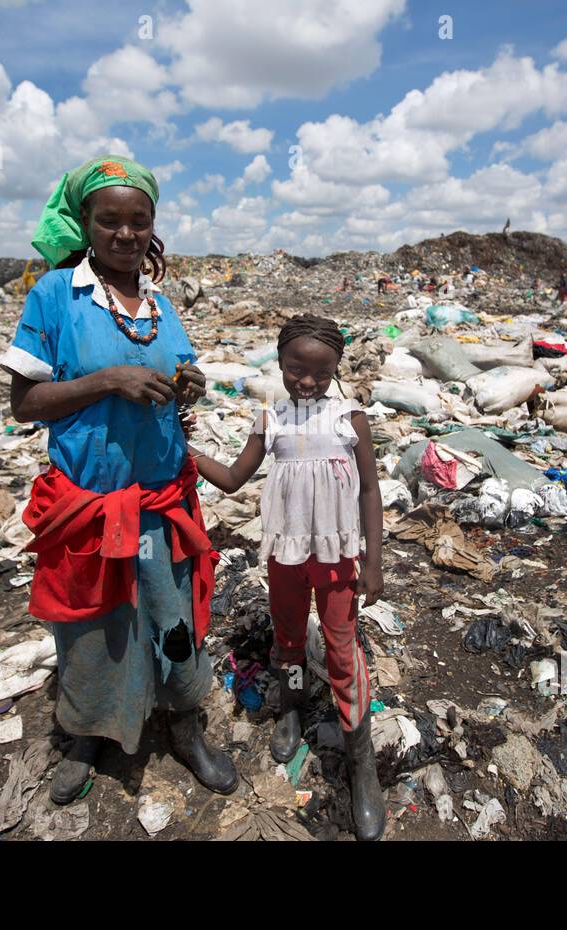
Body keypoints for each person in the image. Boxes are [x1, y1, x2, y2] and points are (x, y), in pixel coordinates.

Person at [0, 155, 236, 804]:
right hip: (92, 504)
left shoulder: (159, 302)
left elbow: (177, 387)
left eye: (139, 221)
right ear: (85, 223)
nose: (125, 234)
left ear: (153, 224)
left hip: (159, 501)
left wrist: (188, 386)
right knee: (92, 626)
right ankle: (87, 733)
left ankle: (184, 726)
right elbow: (24, 403)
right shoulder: (56, 295)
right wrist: (107, 381)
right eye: (109, 221)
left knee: (171, 617)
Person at [185, 314, 387, 841]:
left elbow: (370, 490)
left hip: (337, 555)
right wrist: (188, 452)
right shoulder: (269, 419)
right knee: (290, 641)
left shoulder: (349, 417)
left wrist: (374, 560)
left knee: (342, 647)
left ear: (337, 370)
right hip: (286, 555)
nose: (307, 381)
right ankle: (292, 708)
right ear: (279, 363)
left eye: (321, 373)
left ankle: (361, 761)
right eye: (296, 369)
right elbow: (233, 479)